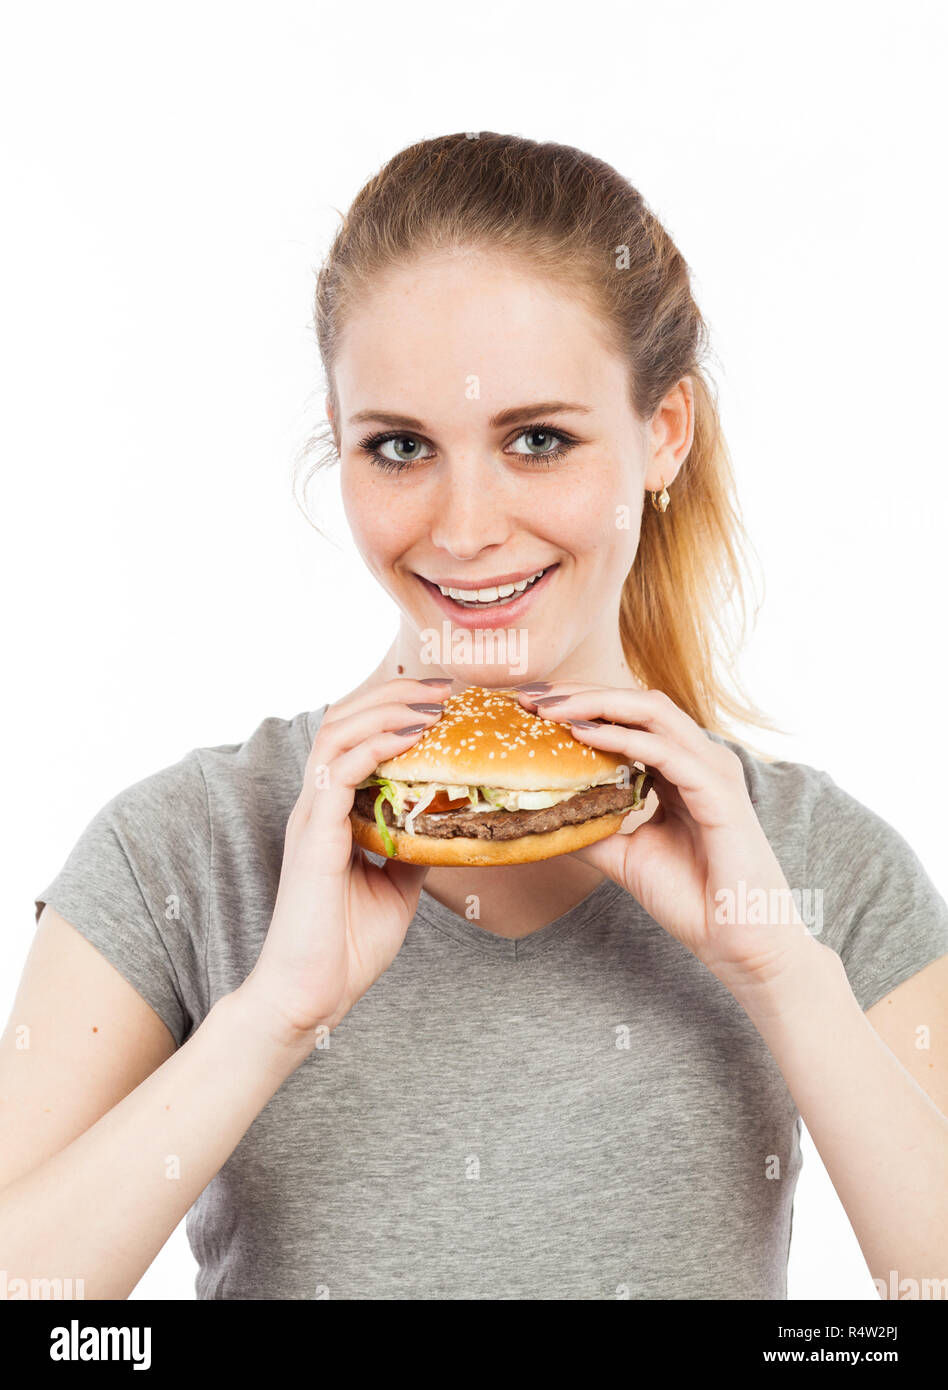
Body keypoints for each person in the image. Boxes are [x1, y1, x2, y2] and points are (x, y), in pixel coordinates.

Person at [5, 132, 947, 1301]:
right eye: (400, 447)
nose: (463, 529)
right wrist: (274, 1015)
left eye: (538, 440)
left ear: (663, 435)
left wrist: (779, 972)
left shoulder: (816, 865)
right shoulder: (183, 850)